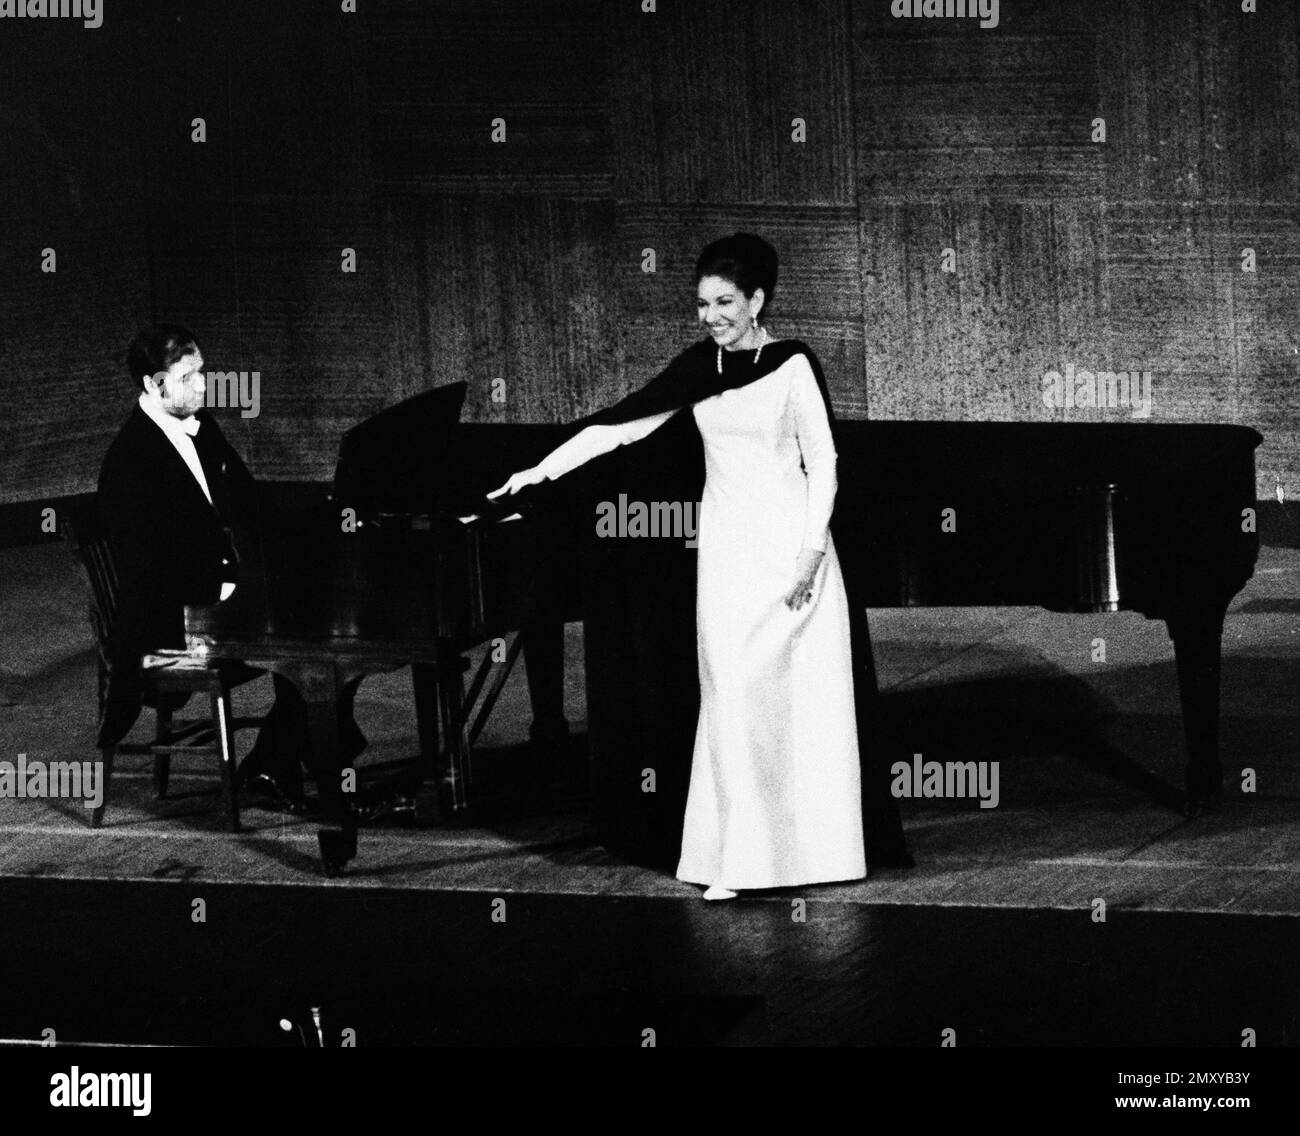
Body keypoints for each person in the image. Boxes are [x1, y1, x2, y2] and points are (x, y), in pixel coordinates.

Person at [490, 234, 903, 900]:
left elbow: (823, 462)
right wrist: (537, 470)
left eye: (724, 301)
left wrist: (809, 553)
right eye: (703, 303)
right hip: (729, 560)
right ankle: (736, 862)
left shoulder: (793, 364)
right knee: (732, 703)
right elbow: (617, 428)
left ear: (757, 300)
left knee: (803, 712)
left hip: (796, 558)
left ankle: (817, 855)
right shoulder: (697, 370)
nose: (710, 315)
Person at [96, 324, 364, 814]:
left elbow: (250, 503)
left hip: (212, 589)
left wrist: (316, 521)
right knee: (306, 637)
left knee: (327, 620)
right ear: (155, 386)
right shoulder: (129, 463)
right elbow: (150, 571)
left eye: (204, 373)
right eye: (190, 376)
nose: (204, 386)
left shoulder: (201, 424)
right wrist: (229, 587)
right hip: (167, 618)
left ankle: (284, 758)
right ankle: (288, 760)